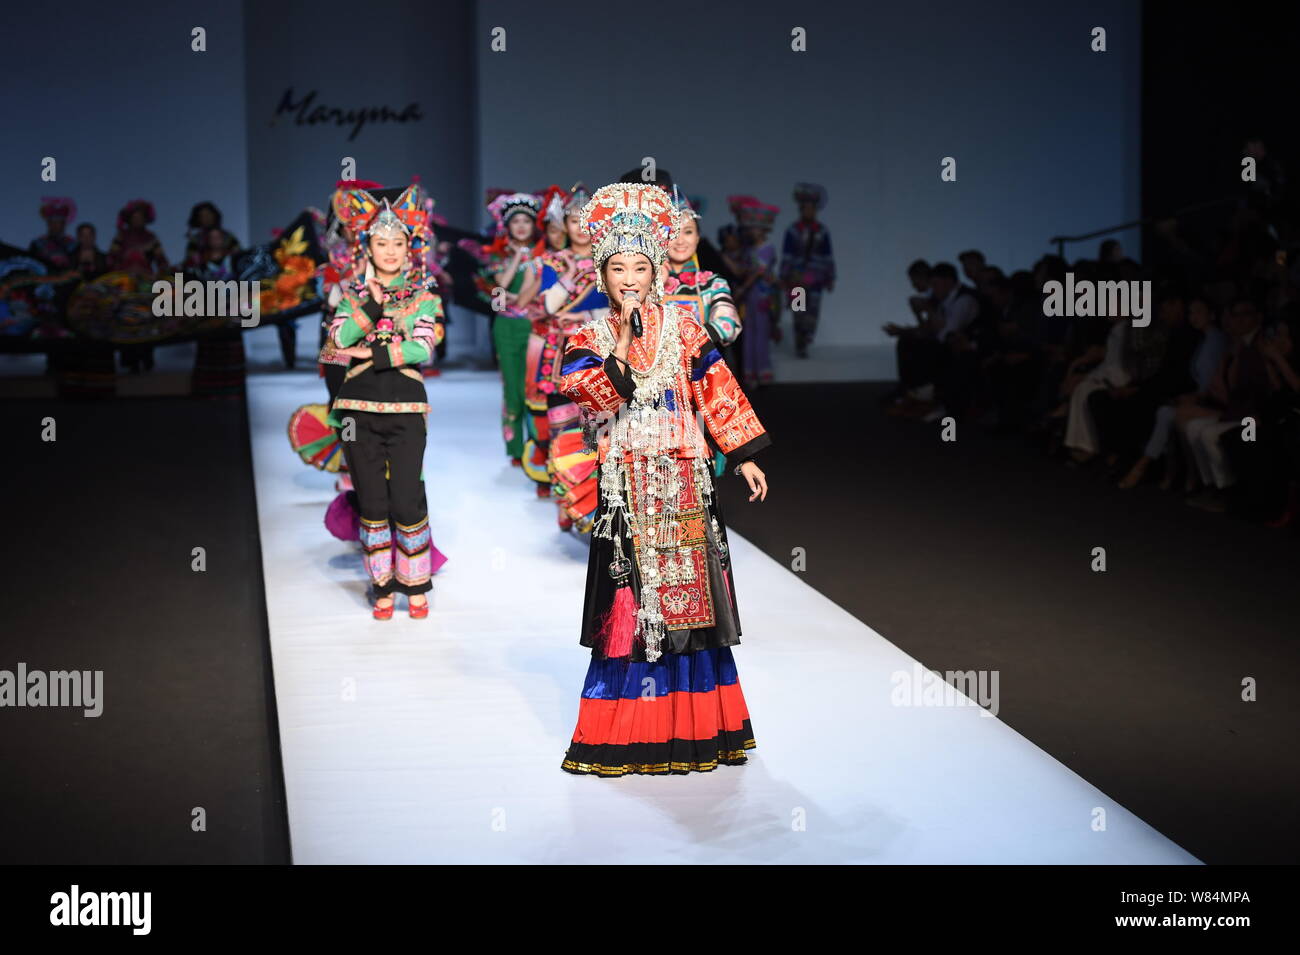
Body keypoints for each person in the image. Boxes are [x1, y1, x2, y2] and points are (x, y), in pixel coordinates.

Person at [557, 182, 771, 776]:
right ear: (602, 277)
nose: (630, 277)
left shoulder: (685, 328)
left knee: (691, 604)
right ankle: (629, 736)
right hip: (626, 488)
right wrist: (622, 339)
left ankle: (698, 731)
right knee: (632, 606)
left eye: (641, 267)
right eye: (618, 267)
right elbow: (595, 396)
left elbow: (716, 388)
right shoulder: (585, 339)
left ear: (657, 274)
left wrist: (744, 451)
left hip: (684, 482)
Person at [327, 182, 446, 618]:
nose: (391, 250)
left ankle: (415, 583)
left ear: (409, 247)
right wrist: (372, 310)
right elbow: (336, 340)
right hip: (356, 410)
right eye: (382, 242)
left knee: (406, 499)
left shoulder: (423, 293)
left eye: (398, 242)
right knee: (373, 501)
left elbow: (423, 347)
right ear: (367, 246)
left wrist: (371, 352)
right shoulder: (351, 293)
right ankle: (381, 584)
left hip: (408, 409)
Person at [529, 183, 609, 529]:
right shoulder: (553, 261)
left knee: (593, 429)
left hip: (596, 353)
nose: (579, 226)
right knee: (561, 427)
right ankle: (567, 502)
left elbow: (612, 308)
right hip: (559, 356)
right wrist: (572, 275)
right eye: (573, 220)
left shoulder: (610, 261)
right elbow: (547, 305)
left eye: (585, 219)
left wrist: (581, 317)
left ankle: (592, 502)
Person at [780, 182, 835, 358]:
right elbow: (786, 254)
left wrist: (830, 276)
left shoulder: (822, 231)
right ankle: (800, 343)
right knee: (798, 311)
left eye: (811, 208)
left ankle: (807, 337)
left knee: (813, 311)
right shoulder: (793, 230)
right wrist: (784, 276)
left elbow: (828, 255)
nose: (808, 211)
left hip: (816, 278)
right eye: (805, 208)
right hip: (796, 278)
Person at [28, 197, 79, 271]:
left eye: (59, 222)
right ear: (48, 224)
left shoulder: (72, 244)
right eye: (52, 222)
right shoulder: (37, 243)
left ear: (64, 224)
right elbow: (30, 263)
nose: (55, 225)